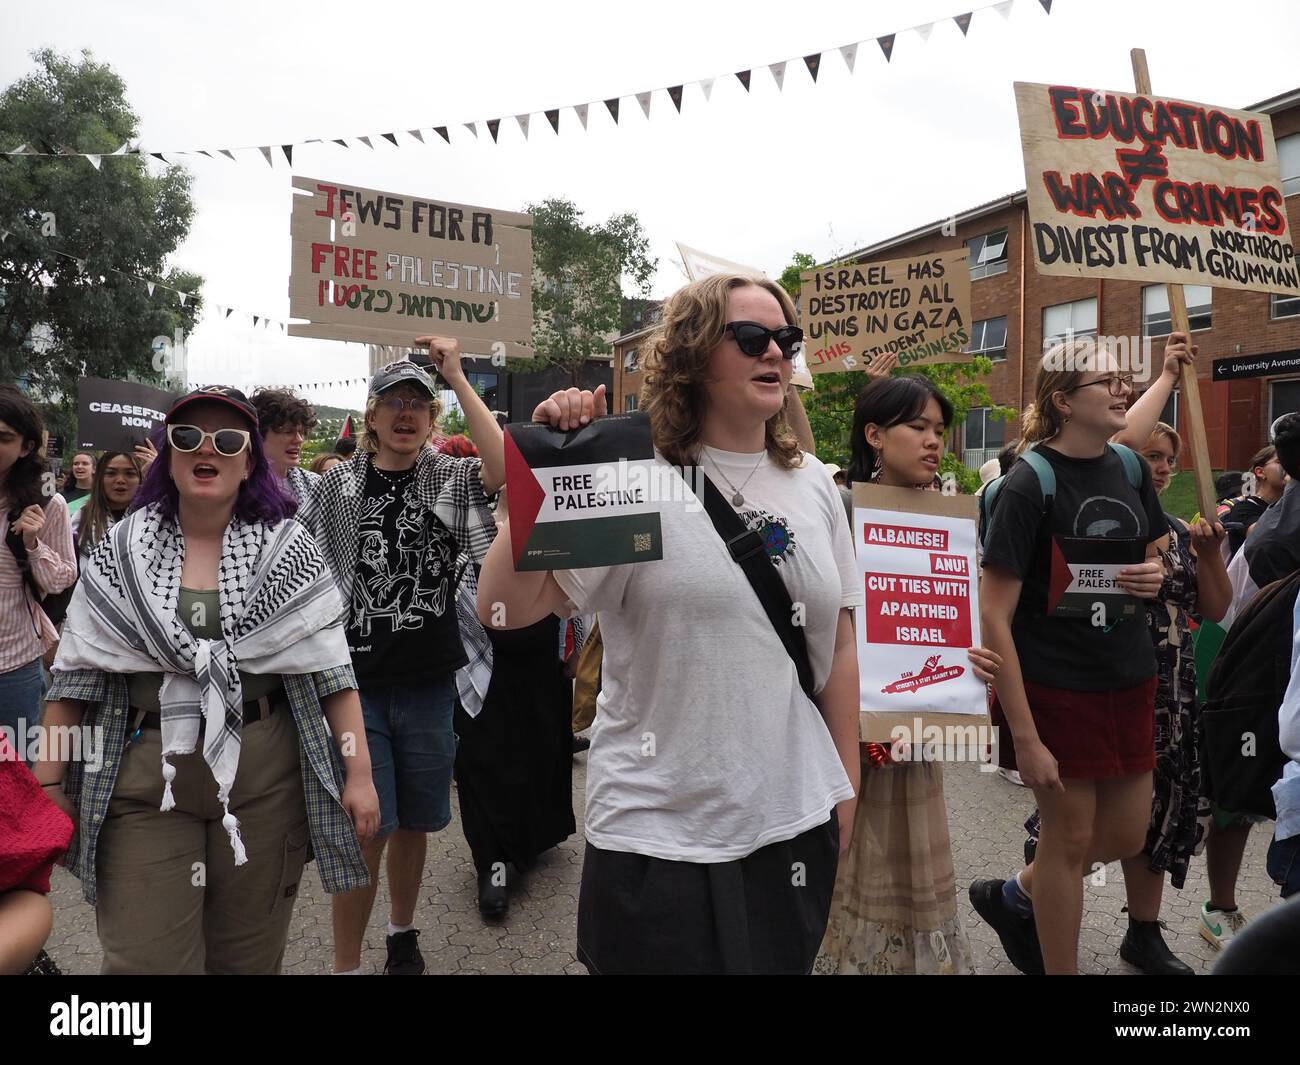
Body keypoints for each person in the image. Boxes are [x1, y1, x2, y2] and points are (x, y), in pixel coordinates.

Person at [477, 274, 860, 974]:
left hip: (791, 817)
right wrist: (554, 466)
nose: (775, 351)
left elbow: (836, 641)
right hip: (658, 834)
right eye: (751, 338)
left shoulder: (813, 484)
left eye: (786, 338)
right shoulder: (628, 474)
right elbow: (506, 609)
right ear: (692, 353)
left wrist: (846, 786)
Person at [32, 385, 379, 974]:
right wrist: (47, 783)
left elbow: (332, 671)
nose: (206, 449)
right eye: (187, 437)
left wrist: (361, 775)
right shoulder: (120, 550)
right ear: (167, 454)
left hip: (264, 782)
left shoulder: (292, 548)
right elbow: (74, 677)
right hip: (143, 782)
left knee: (248, 960)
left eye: (227, 439)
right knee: (145, 965)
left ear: (250, 461)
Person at [299, 340, 504, 976]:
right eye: (395, 402)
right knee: (367, 826)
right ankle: (344, 965)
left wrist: (457, 376)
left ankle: (401, 931)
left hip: (429, 682)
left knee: (415, 819)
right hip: (352, 687)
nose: (407, 412)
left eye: (420, 402)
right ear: (373, 414)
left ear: (433, 416)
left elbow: (499, 468)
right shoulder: (338, 484)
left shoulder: (445, 475)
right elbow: (299, 563)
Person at [971, 337, 1170, 975]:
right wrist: (1024, 738)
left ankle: (1015, 895)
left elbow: (1154, 551)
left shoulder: (1131, 468)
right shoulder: (1029, 483)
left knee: (1129, 835)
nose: (1122, 389)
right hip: (1055, 688)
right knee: (1069, 838)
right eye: (1105, 382)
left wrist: (1153, 572)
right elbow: (994, 614)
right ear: (1062, 401)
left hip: (1129, 677)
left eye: (1122, 380)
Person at [815, 375, 1000, 975]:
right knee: (850, 849)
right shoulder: (838, 509)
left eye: (940, 431)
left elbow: (949, 613)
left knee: (908, 849)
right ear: (874, 435)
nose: (933, 442)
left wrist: (971, 662)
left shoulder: (950, 518)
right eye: (917, 427)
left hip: (915, 728)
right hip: (848, 727)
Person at [0, 385, 77, 742]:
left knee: (14, 777)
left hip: (14, 667)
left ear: (26, 446)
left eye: (3, 438)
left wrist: (32, 544)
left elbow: (62, 578)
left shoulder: (47, 505)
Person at [250, 388, 320, 505]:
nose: (299, 440)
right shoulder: (234, 487)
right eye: (288, 432)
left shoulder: (316, 485)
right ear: (258, 436)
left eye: (302, 432)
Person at [1218, 445, 1287, 559]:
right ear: (1260, 472)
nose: (1288, 466)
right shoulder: (1244, 508)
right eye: (1280, 461)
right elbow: (1264, 537)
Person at [71, 451, 143, 559]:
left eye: (130, 474)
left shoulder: (151, 518)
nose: (120, 480)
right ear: (100, 479)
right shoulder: (81, 517)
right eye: (111, 473)